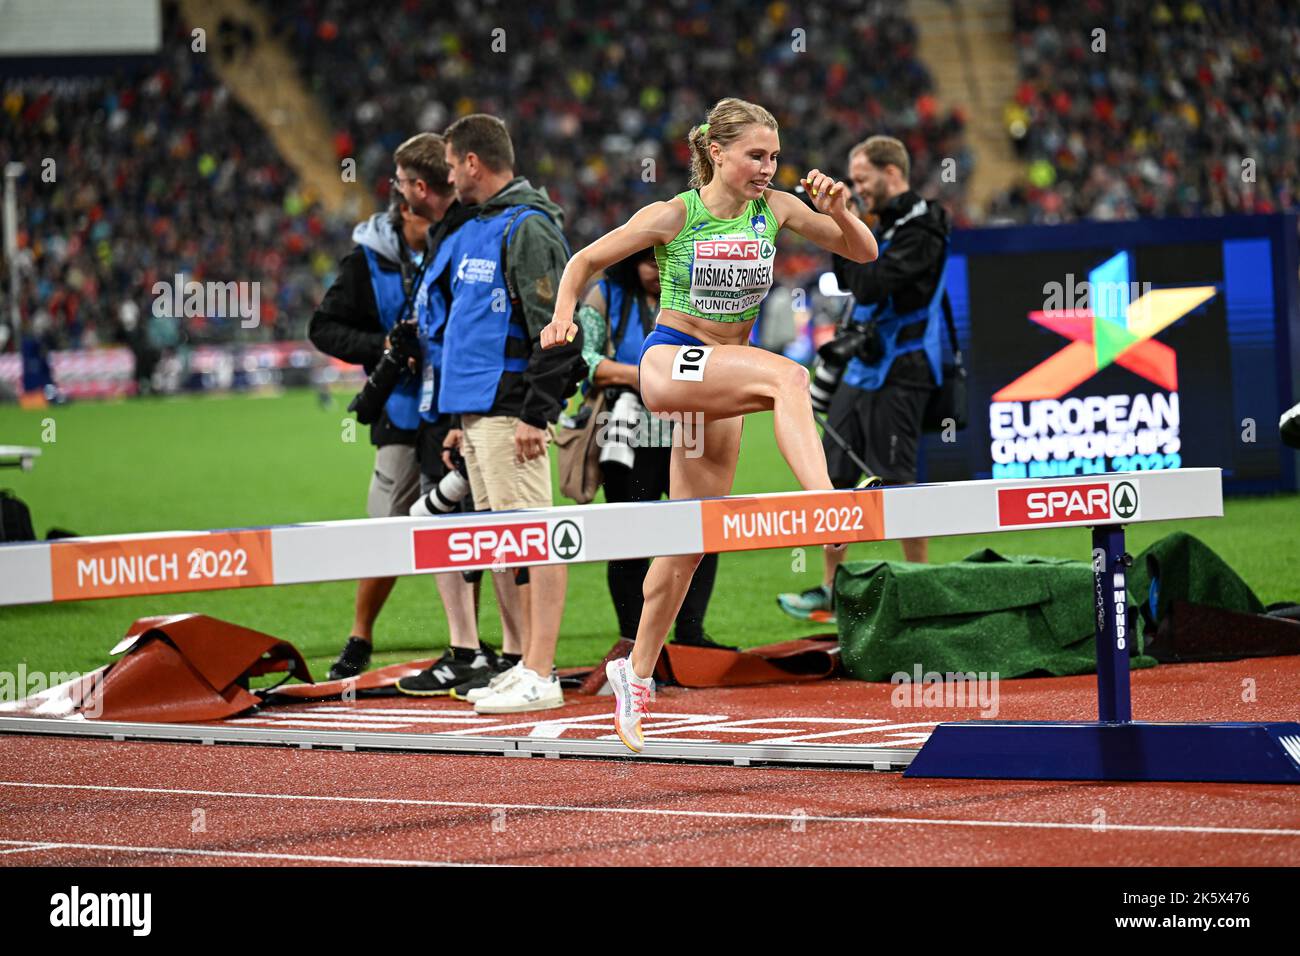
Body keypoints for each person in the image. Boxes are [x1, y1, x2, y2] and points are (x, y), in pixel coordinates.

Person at [542, 97, 878, 751]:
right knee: (790, 377)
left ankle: (634, 675)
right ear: (717, 154)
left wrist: (839, 210)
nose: (767, 167)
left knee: (690, 542)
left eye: (775, 157)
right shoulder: (676, 214)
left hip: (716, 388)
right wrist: (561, 317)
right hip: (669, 365)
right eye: (756, 155)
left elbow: (861, 251)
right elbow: (583, 260)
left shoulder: (774, 209)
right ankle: (829, 506)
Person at [432, 114, 586, 714]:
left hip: (511, 412)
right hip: (477, 413)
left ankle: (542, 672)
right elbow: (472, 328)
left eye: (451, 165)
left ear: (473, 162)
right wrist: (457, 416)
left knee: (537, 538)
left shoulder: (528, 228)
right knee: (500, 543)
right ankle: (519, 660)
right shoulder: (483, 225)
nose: (449, 176)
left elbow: (560, 330)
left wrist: (536, 413)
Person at [777, 135, 951, 624]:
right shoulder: (884, 227)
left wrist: (846, 222)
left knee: (896, 479)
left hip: (903, 367)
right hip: (863, 365)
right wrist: (844, 222)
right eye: (851, 182)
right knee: (833, 476)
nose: (856, 189)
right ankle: (831, 592)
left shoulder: (927, 224)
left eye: (861, 180)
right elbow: (850, 278)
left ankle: (921, 587)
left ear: (891, 172)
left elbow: (869, 281)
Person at [309, 147, 433, 681]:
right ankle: (360, 635)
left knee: (469, 529)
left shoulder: (456, 246)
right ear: (406, 209)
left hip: (457, 409)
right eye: (432, 210)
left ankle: (470, 646)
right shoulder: (366, 259)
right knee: (385, 529)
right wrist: (381, 345)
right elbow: (323, 327)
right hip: (400, 412)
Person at [574, 247, 732, 651]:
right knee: (630, 543)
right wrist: (651, 374)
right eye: (648, 263)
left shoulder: (693, 294)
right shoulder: (605, 296)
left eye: (664, 264)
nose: (657, 272)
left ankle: (691, 637)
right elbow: (588, 362)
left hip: (689, 429)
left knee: (701, 534)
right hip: (625, 436)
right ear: (631, 262)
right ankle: (634, 640)